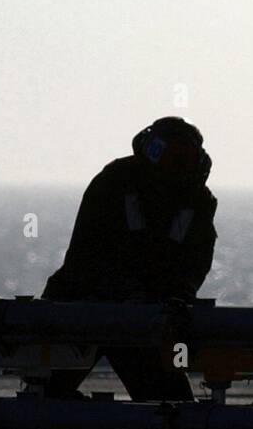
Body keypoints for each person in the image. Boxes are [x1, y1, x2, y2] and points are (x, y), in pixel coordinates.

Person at [42, 115, 217, 401]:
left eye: (181, 159)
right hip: (85, 307)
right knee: (44, 403)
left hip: (146, 319)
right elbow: (85, 255)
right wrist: (123, 291)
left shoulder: (198, 201)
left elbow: (195, 262)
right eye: (166, 154)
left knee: (171, 411)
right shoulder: (116, 181)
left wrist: (177, 298)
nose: (171, 167)